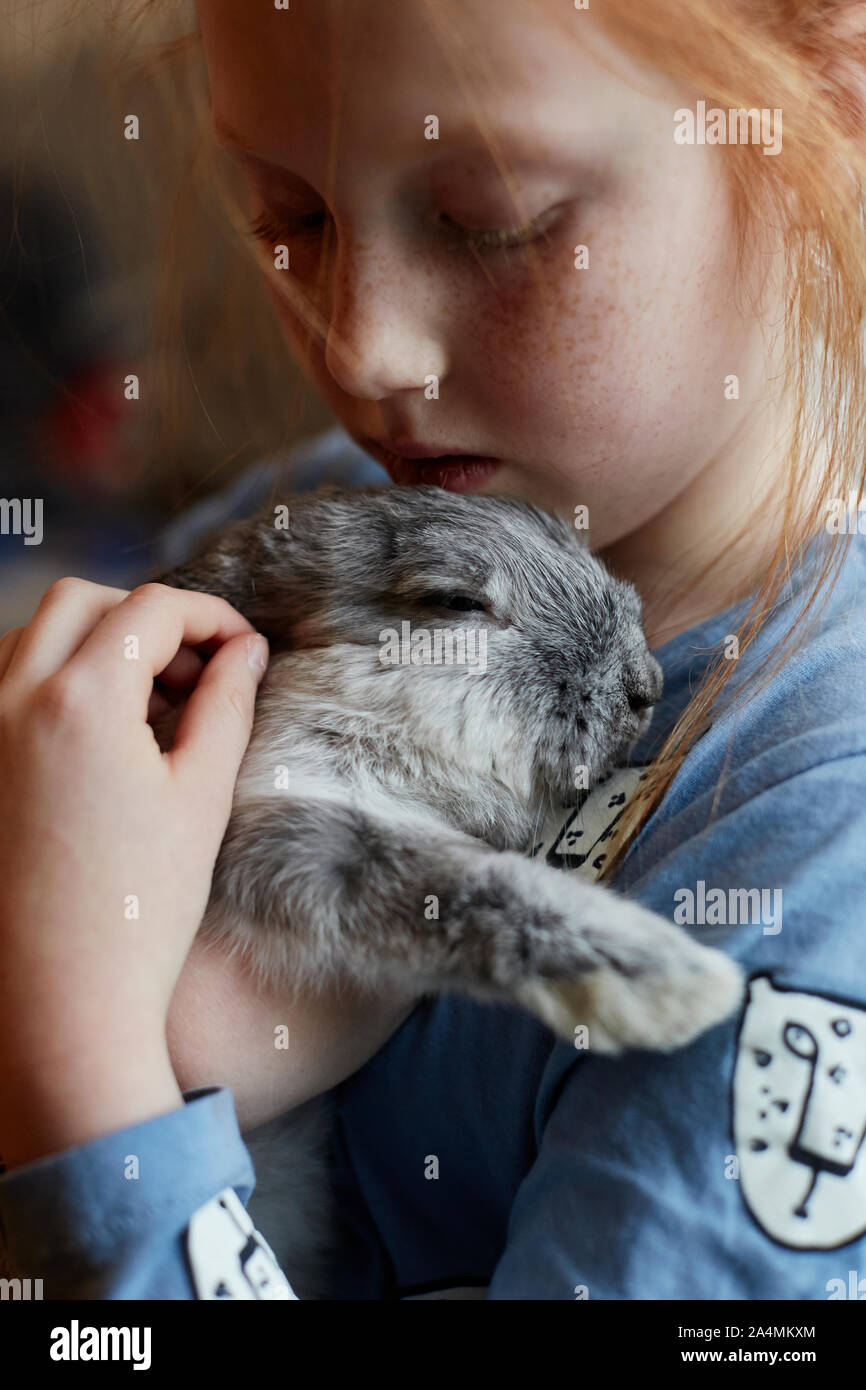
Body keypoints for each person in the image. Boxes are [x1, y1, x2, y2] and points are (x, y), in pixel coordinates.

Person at [2, 0, 866, 1300]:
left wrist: (75, 1070)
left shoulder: (813, 860)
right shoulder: (337, 516)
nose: (362, 347)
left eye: (494, 219)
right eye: (290, 215)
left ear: (829, 107)